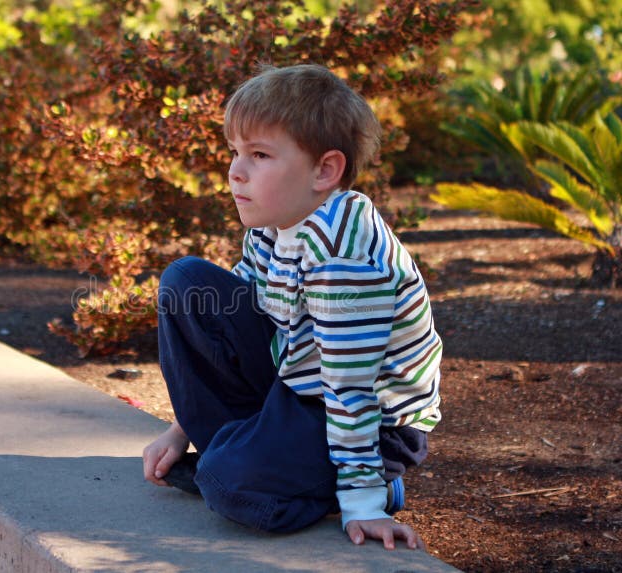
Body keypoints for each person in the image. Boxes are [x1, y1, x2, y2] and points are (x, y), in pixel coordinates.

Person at [142, 63, 441, 550]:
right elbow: (234, 324)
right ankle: (246, 453)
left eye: (259, 155)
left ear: (325, 170)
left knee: (224, 485)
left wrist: (363, 502)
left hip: (374, 425)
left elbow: (351, 388)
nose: (236, 171)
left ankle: (374, 484)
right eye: (235, 152)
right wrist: (182, 430)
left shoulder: (344, 259)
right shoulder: (273, 223)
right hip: (301, 387)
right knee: (186, 282)